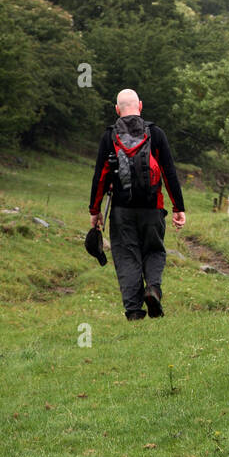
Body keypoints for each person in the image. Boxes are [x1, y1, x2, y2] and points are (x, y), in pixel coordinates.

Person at [88, 89, 186, 320]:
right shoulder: (156, 134)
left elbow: (100, 176)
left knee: (126, 255)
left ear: (117, 109)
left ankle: (133, 312)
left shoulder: (109, 137)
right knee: (153, 250)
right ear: (140, 106)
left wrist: (95, 211)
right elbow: (169, 172)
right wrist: (178, 207)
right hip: (153, 209)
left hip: (122, 212)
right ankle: (152, 289)